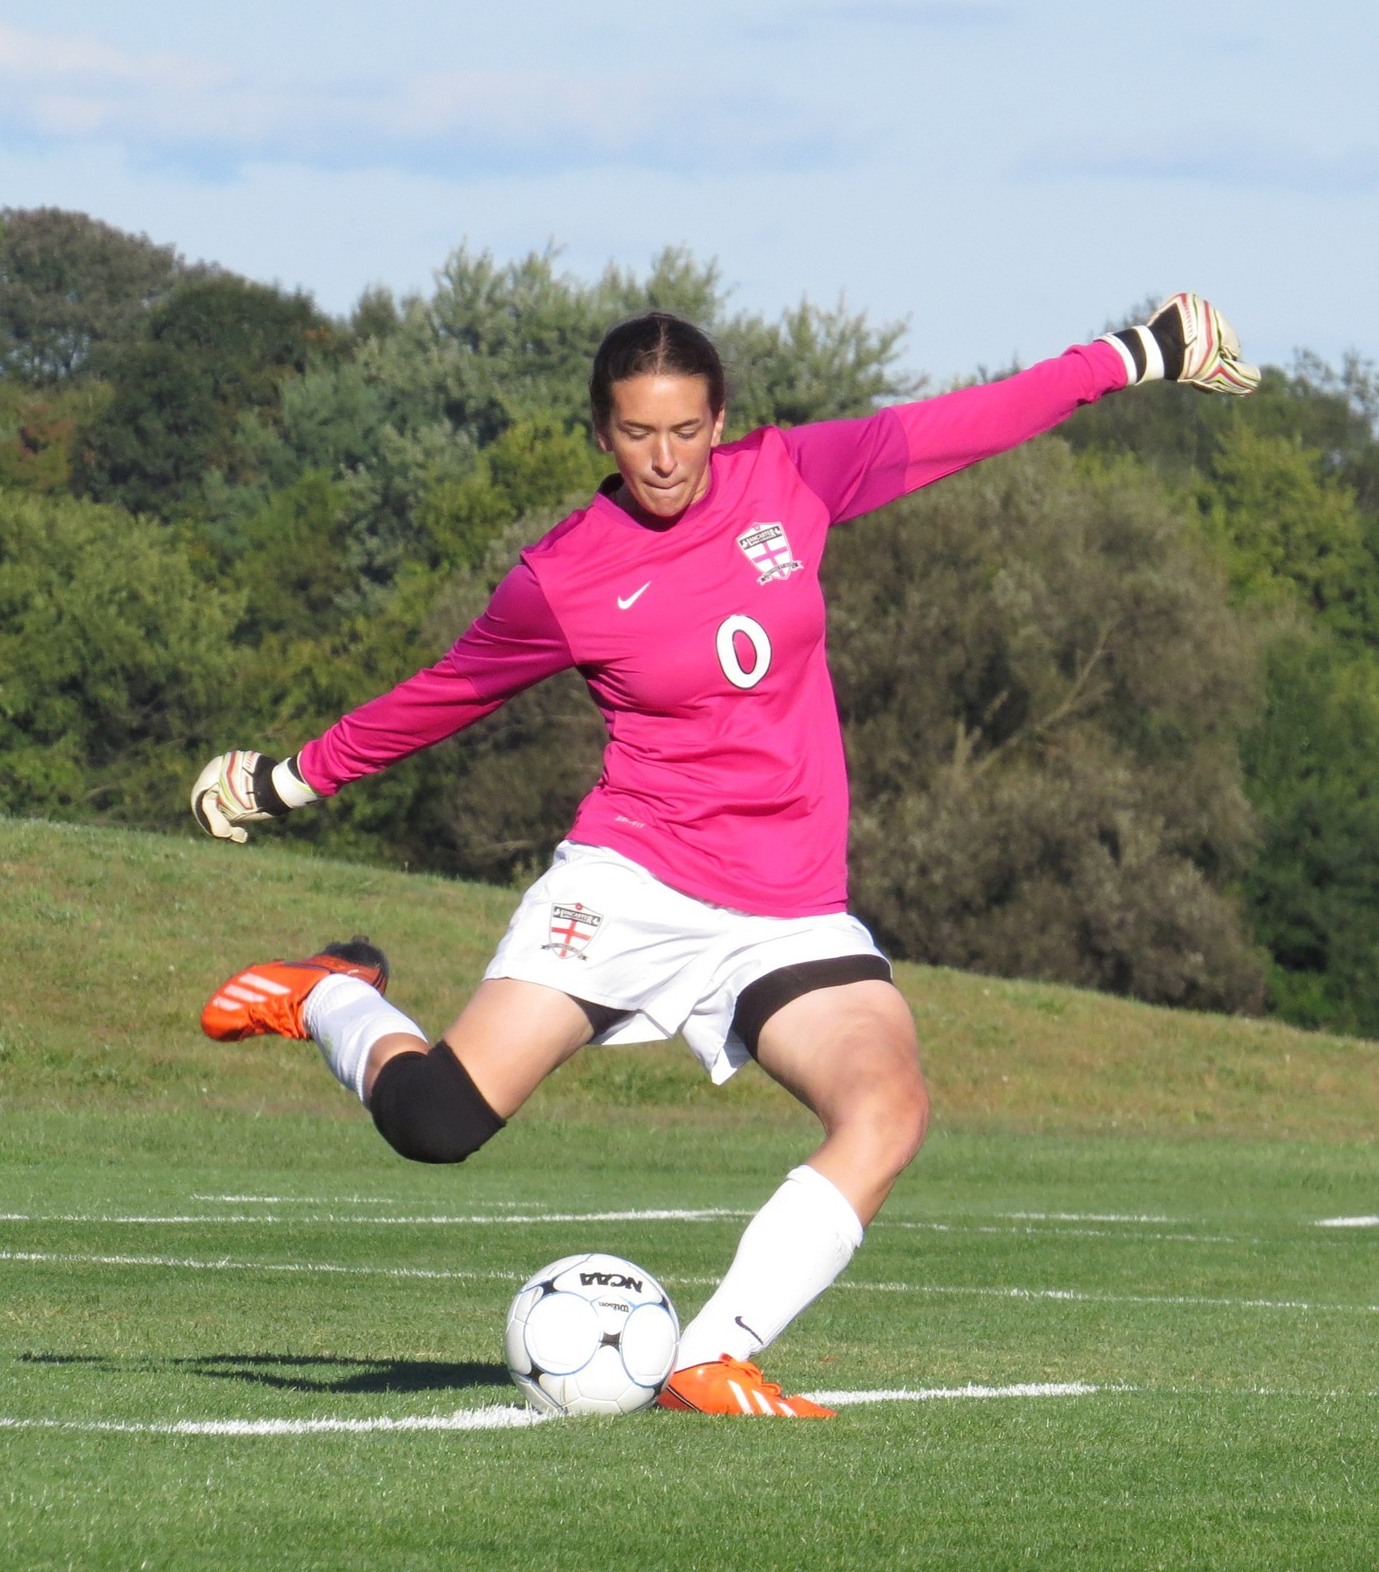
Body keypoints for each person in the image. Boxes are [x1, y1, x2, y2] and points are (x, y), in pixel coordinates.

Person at [191, 293, 1259, 1417]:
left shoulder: (791, 476)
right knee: (435, 1125)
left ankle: (708, 1355)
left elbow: (967, 420)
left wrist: (1136, 354)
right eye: (637, 433)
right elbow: (443, 694)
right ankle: (332, 998)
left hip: (789, 908)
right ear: (600, 433)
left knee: (887, 1109)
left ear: (720, 421)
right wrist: (288, 775)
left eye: (686, 431)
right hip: (634, 880)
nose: (663, 458)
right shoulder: (561, 575)